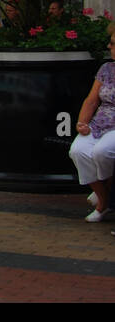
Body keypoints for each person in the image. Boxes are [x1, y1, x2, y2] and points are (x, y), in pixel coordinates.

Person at [69, 23, 115, 222]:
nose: (109, 46)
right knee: (78, 151)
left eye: (113, 44)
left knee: (102, 152)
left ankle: (104, 199)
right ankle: (104, 199)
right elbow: (92, 100)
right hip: (100, 123)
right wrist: (82, 122)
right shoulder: (106, 68)